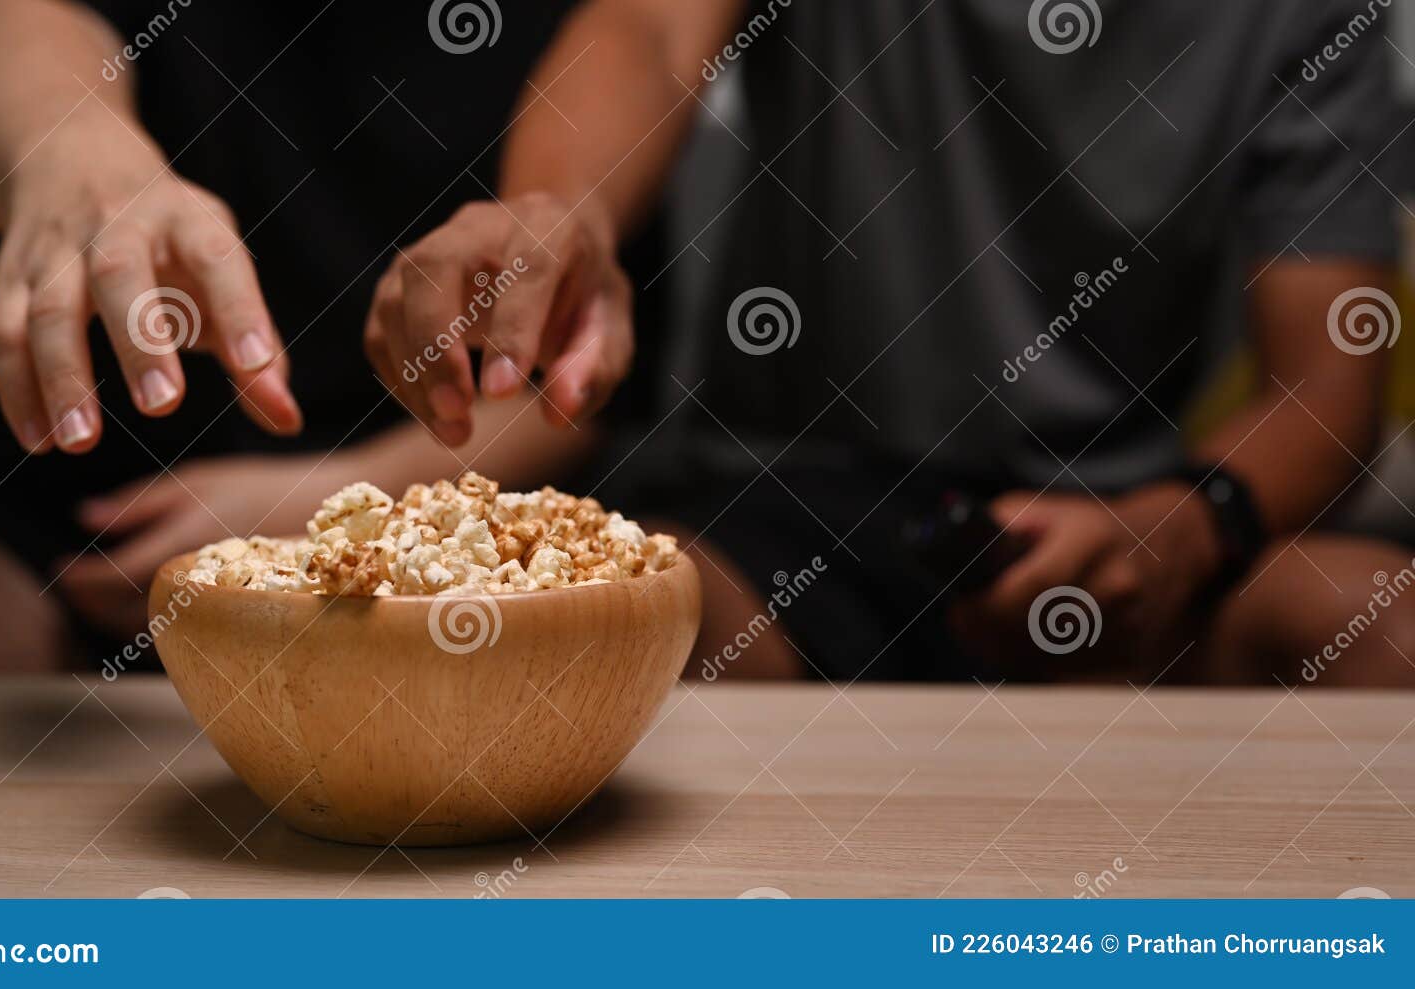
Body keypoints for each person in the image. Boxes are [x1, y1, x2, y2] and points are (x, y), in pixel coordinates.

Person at [366, 0, 1415, 686]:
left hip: (1125, 526)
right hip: (791, 502)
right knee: (595, 636)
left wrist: (1184, 525)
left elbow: (1323, 390)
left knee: (1381, 625)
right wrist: (561, 212)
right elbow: (648, 26)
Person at [0, 0, 674, 669]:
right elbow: (12, 19)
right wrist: (72, 153)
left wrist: (313, 517)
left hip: (461, 492)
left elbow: (650, 34)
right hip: (76, 498)